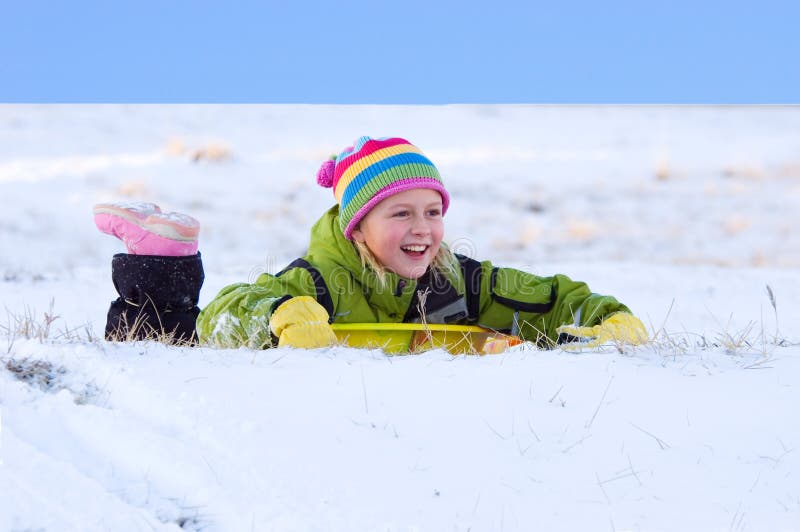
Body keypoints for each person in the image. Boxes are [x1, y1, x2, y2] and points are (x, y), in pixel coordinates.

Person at [94, 136, 647, 350]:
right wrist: (285, 313)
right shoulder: (322, 277)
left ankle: (166, 251)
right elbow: (228, 311)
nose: (423, 230)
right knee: (161, 333)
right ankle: (161, 253)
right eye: (401, 214)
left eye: (433, 213)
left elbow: (546, 297)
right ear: (357, 227)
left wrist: (608, 316)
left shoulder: (457, 279)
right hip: (200, 342)